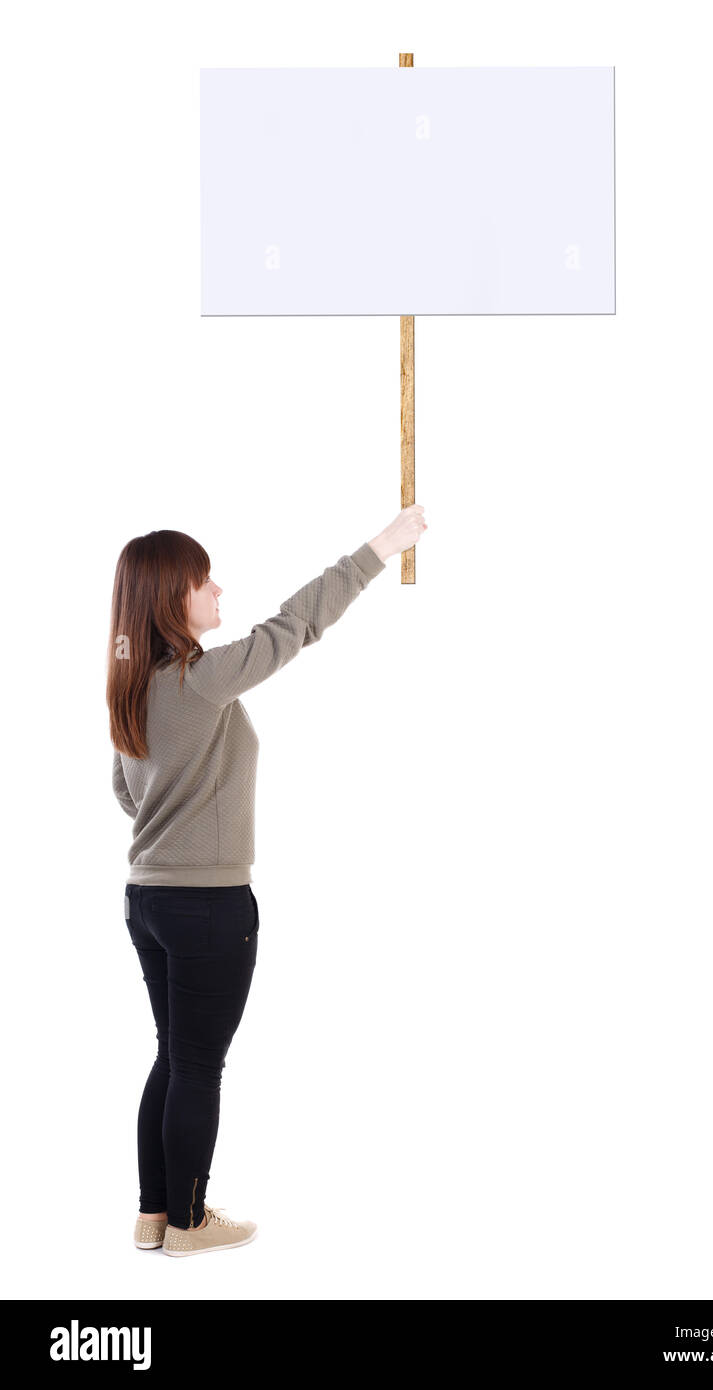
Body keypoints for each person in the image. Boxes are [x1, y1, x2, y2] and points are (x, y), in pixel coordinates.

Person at [107, 504, 428, 1257]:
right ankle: (189, 1222)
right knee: (195, 1065)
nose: (218, 589)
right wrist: (384, 545)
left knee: (171, 1055)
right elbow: (297, 624)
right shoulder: (200, 680)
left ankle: (154, 1214)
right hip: (208, 906)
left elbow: (127, 794)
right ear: (169, 600)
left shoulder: (132, 690)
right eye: (202, 580)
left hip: (147, 901)